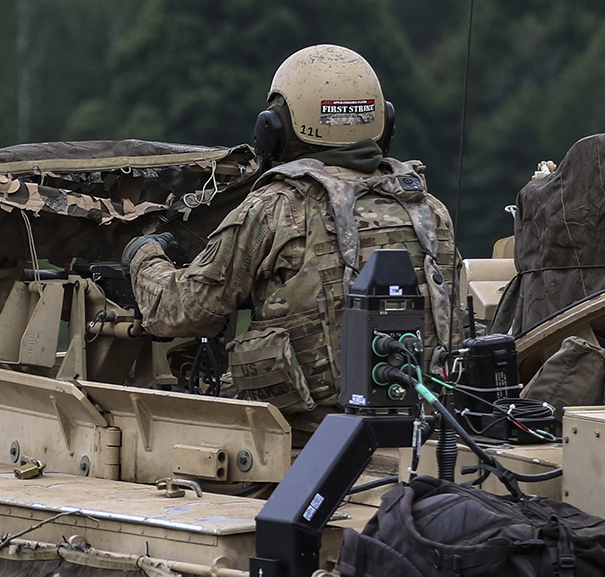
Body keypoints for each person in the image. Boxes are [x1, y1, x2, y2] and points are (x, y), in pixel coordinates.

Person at [123, 44, 456, 427]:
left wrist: (142, 255)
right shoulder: (428, 210)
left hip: (308, 435)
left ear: (275, 129)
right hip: (428, 425)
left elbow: (180, 311)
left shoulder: (276, 207)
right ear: (384, 122)